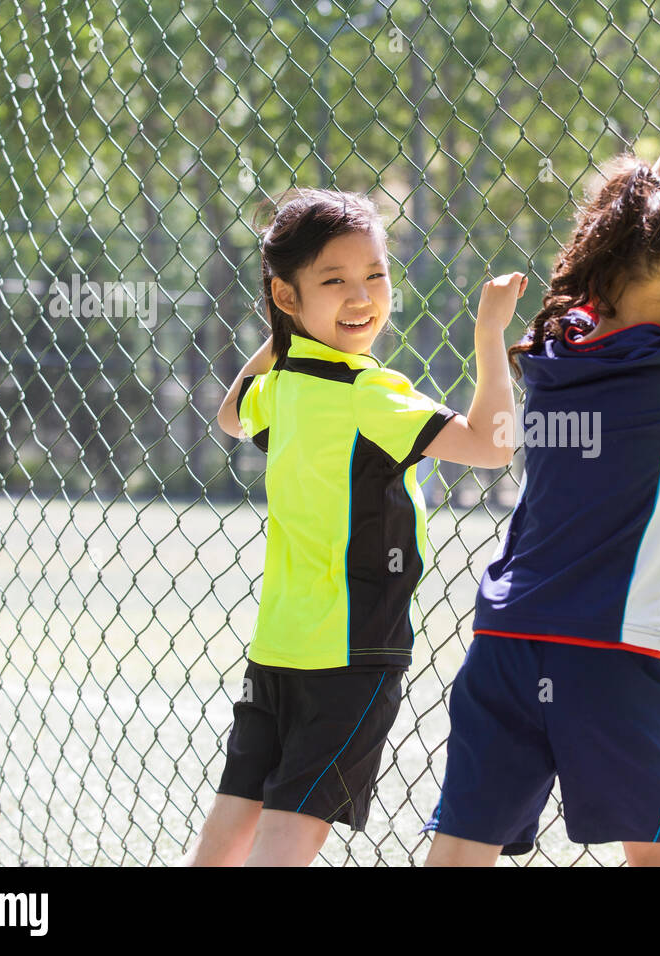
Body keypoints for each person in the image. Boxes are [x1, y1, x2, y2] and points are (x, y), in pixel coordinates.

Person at [423, 25, 660, 867]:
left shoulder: (556, 347)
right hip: (612, 649)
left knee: (462, 846)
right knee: (657, 853)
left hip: (506, 634)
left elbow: (621, 261)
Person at [184, 187, 522, 866]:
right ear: (288, 296)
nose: (362, 296)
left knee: (228, 832)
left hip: (276, 648)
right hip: (351, 657)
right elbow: (495, 443)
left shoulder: (280, 388)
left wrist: (282, 339)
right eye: (333, 281)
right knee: (287, 837)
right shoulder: (373, 395)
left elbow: (228, 414)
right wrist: (490, 336)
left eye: (375, 275)